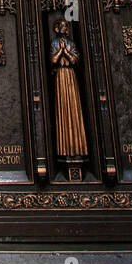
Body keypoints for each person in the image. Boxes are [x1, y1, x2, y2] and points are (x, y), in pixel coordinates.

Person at [50, 19, 87, 159]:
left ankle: (77, 150)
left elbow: (74, 60)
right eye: (63, 26)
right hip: (61, 75)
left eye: (66, 26)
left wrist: (65, 51)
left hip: (70, 76)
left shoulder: (71, 43)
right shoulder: (54, 43)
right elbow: (53, 61)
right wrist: (62, 51)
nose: (65, 29)